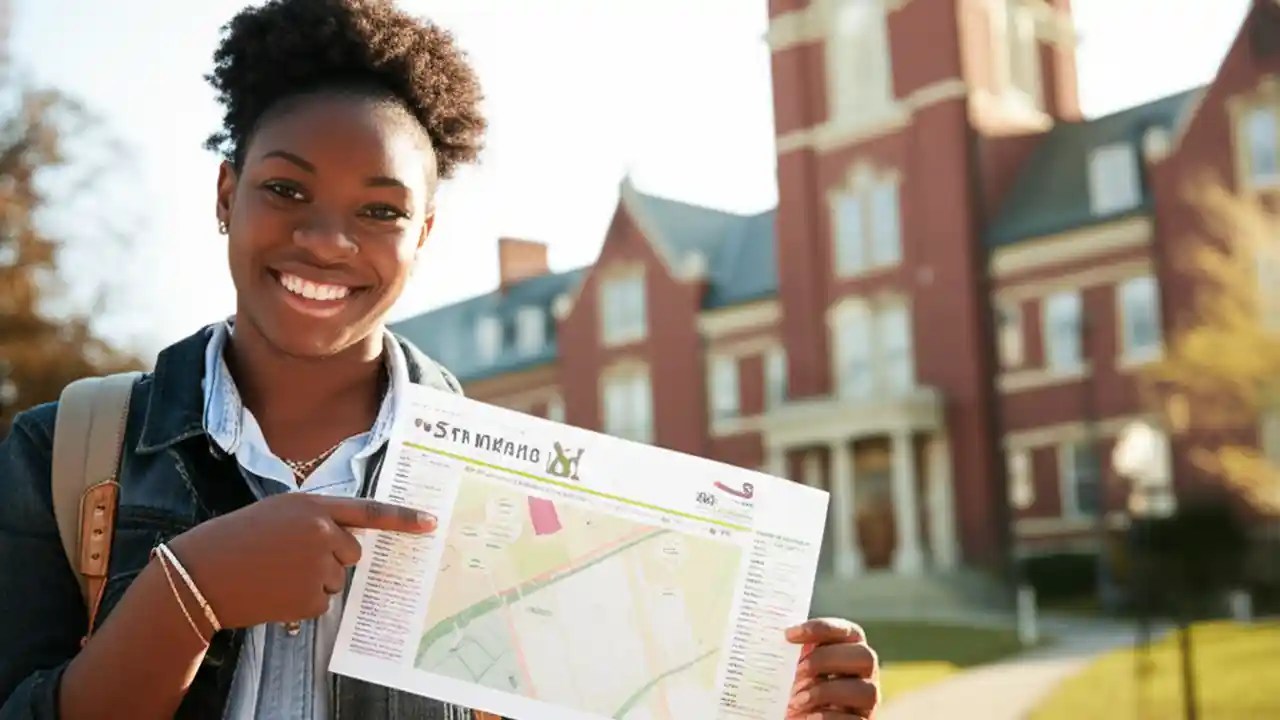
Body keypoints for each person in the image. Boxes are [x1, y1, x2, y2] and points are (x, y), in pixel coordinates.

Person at [0, 0, 881, 718]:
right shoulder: (68, 454)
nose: (325, 239)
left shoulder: (522, 496)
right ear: (227, 194)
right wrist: (186, 593)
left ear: (424, 235)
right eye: (285, 189)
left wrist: (760, 705)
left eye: (380, 211)